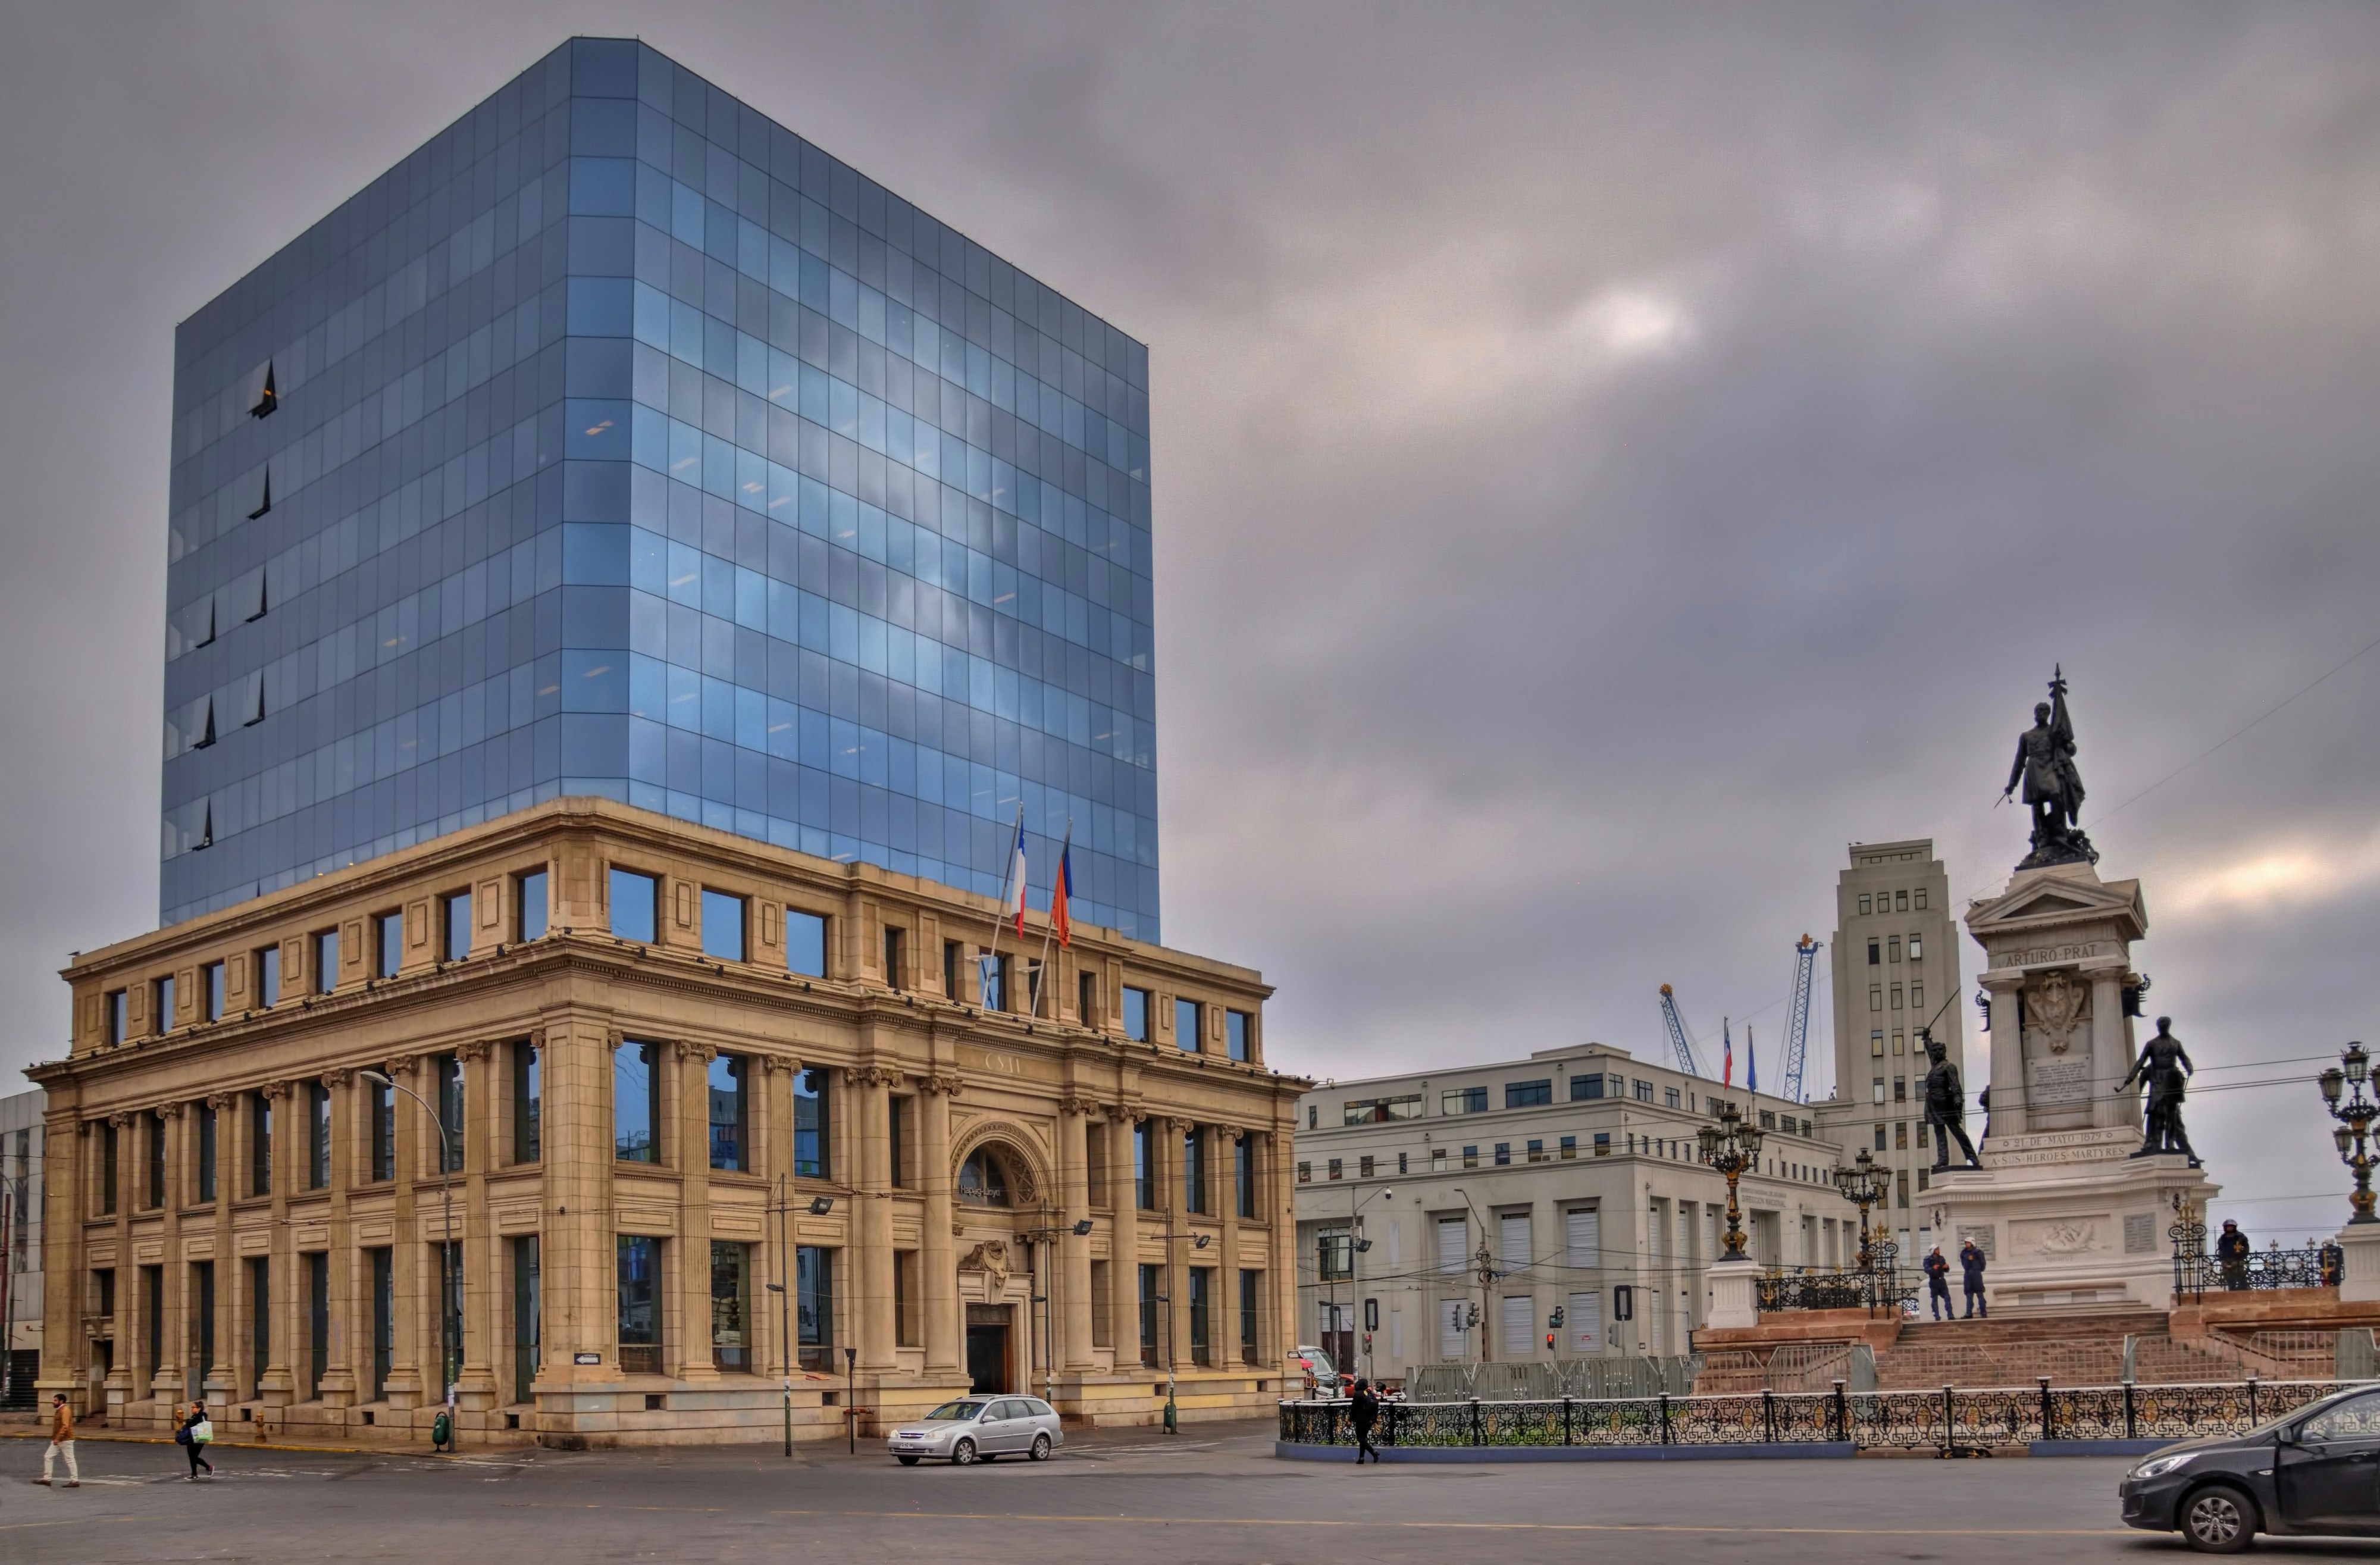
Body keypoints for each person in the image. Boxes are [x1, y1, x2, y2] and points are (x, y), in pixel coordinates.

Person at [36, 1392, 79, 1487]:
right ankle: (47, 1479)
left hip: (65, 1439)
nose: (53, 1402)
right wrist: (56, 1439)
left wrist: (58, 1438)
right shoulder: (60, 1410)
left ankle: (75, 1481)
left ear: (61, 1401)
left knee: (70, 1459)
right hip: (58, 1440)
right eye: (54, 1400)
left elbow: (65, 1426)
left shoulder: (65, 1410)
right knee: (48, 1456)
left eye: (55, 1400)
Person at [178, 1400, 215, 1479]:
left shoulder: (202, 1415)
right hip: (192, 1439)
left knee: (194, 1456)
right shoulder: (194, 1416)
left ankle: (208, 1467)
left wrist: (189, 1422)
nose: (192, 1409)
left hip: (199, 1439)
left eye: (194, 1407)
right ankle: (194, 1474)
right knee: (192, 1457)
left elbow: (195, 1423)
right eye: (191, 1407)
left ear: (199, 1408)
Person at [1349, 1377, 1381, 1465]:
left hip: (1361, 1420)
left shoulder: (1358, 1394)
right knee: (1364, 1438)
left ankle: (1373, 1452)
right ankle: (1361, 1458)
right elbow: (1376, 1407)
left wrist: (1350, 1420)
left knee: (1360, 1438)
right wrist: (1374, 1420)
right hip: (1370, 1420)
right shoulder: (1369, 1393)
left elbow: (1354, 1408)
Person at [2215, 1220, 2250, 1290]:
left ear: (2234, 1227)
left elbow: (2246, 1247)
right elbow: (2220, 1248)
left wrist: (2242, 1255)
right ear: (2225, 1228)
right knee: (2228, 1276)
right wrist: (2221, 1255)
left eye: (2231, 1226)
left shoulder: (2240, 1236)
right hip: (2226, 1259)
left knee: (2240, 1273)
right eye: (2228, 1227)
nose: (2229, 1228)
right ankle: (2232, 1288)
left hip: (2237, 1259)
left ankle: (2244, 1287)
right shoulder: (2223, 1238)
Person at [1959, 1238, 1988, 1319]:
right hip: (1968, 1275)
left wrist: (1977, 1270)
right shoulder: (1964, 1252)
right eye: (1966, 1243)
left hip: (1976, 1275)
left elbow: (1983, 1264)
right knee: (1969, 1295)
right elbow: (1963, 1262)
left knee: (1980, 1294)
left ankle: (1983, 1312)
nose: (1967, 1244)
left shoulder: (1978, 1252)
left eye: (1968, 1242)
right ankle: (1968, 1313)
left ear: (1972, 1243)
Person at [1922, 1245, 1953, 1321]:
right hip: (1934, 1281)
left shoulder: (1941, 1258)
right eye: (1936, 1249)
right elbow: (1926, 1270)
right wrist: (1933, 1268)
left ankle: (1950, 1314)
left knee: (1947, 1297)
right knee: (1935, 1299)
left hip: (1942, 1281)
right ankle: (1937, 1315)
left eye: (1938, 1249)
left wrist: (1946, 1267)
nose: (1938, 1250)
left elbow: (1946, 1270)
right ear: (1932, 1250)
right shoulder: (1928, 1259)